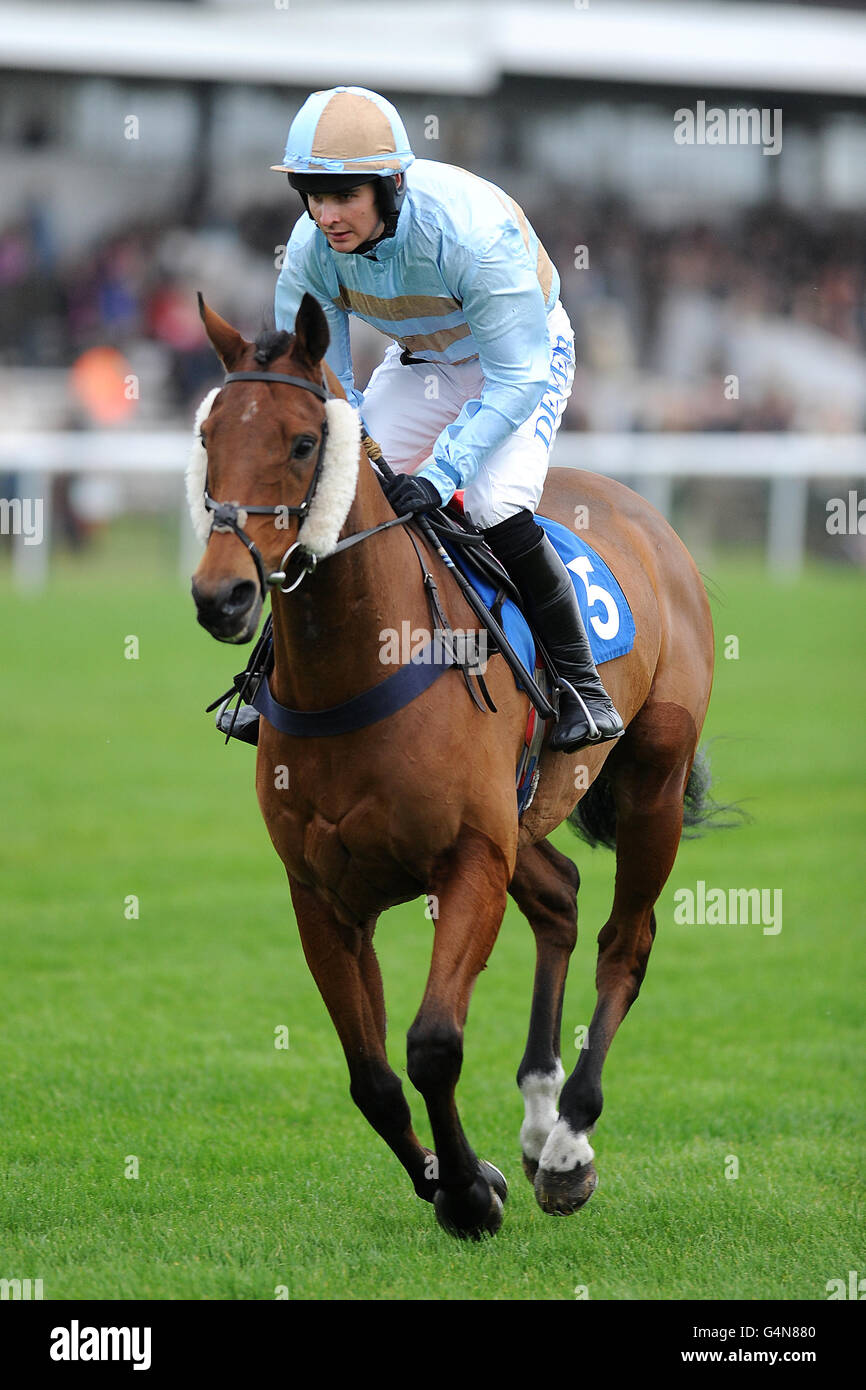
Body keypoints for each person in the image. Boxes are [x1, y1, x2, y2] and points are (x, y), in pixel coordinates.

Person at [269, 85, 623, 753]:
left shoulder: (472, 234)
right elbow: (318, 375)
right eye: (313, 194)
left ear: (392, 185)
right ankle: (272, 675)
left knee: (492, 504)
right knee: (331, 491)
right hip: (427, 363)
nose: (326, 214)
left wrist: (438, 476)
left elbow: (517, 377)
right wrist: (349, 443)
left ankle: (583, 687)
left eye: (343, 194)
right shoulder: (312, 246)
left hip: (523, 357)